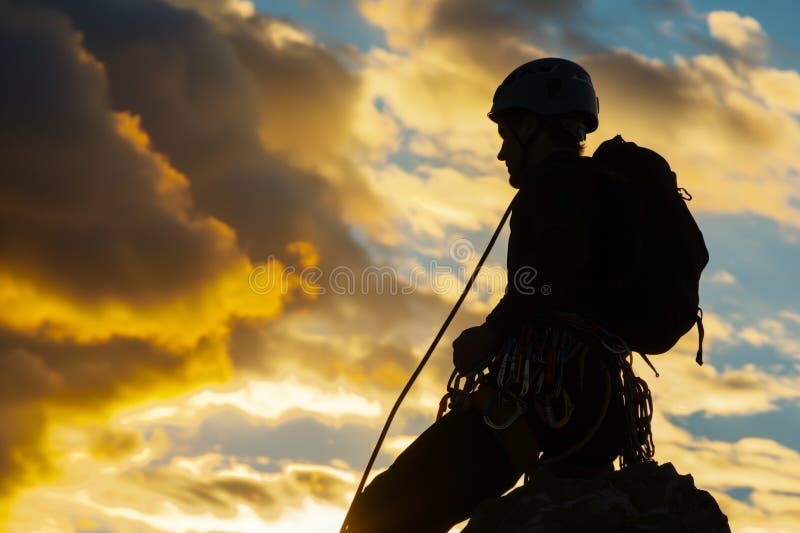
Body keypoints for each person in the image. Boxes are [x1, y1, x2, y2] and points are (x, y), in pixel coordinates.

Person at [345, 57, 650, 533]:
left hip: (547, 398)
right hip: (593, 407)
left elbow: (553, 277)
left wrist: (490, 334)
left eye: (508, 136)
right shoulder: (598, 192)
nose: (503, 153)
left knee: (379, 514)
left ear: (532, 125)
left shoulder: (553, 185)